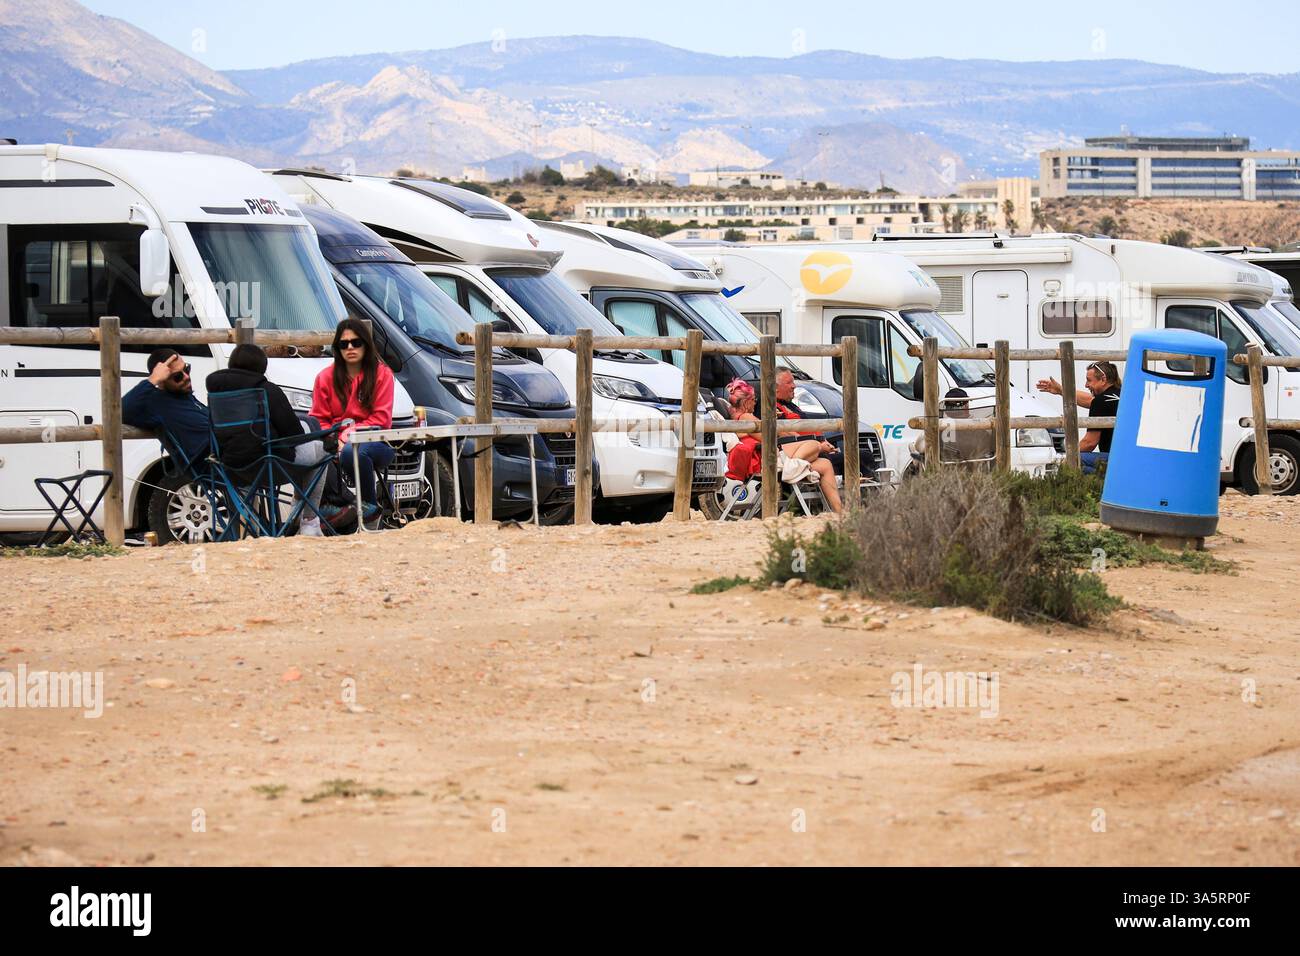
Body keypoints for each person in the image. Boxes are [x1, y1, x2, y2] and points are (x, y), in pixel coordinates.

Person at [207, 344, 333, 537]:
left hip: (232, 467)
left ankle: (293, 517)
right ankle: (308, 522)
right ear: (262, 366)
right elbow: (294, 434)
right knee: (320, 449)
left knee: (309, 429)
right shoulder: (267, 390)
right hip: (271, 465)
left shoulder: (216, 394)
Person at [311, 319, 396, 526]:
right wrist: (332, 439)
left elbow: (381, 418)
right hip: (333, 442)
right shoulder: (324, 377)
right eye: (343, 343)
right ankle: (324, 512)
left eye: (356, 342)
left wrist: (346, 437)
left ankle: (369, 508)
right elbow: (318, 418)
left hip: (376, 441)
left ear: (366, 345)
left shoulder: (382, 374)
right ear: (337, 348)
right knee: (312, 449)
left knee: (352, 451)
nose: (350, 347)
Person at [728, 377, 842, 514]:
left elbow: (772, 434)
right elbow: (767, 438)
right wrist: (776, 425)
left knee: (825, 465)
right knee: (815, 444)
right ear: (746, 402)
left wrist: (780, 428)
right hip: (766, 457)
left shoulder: (742, 418)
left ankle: (839, 511)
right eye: (754, 400)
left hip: (772, 454)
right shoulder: (746, 417)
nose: (755, 403)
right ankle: (792, 468)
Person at [122, 349, 210, 468]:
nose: (186, 377)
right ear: (162, 381)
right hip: (211, 463)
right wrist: (153, 380)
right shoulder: (156, 402)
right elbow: (119, 411)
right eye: (177, 376)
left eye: (186, 369)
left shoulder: (186, 397)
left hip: (227, 453)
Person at [1037, 361, 1122, 473]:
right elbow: (1090, 400)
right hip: (1131, 457)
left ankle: (1097, 486)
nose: (1086, 385)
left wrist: (1065, 457)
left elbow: (1089, 443)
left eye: (1089, 380)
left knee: (1075, 461)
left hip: (1114, 459)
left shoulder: (1101, 402)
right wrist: (1061, 390)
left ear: (1103, 379)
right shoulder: (1122, 395)